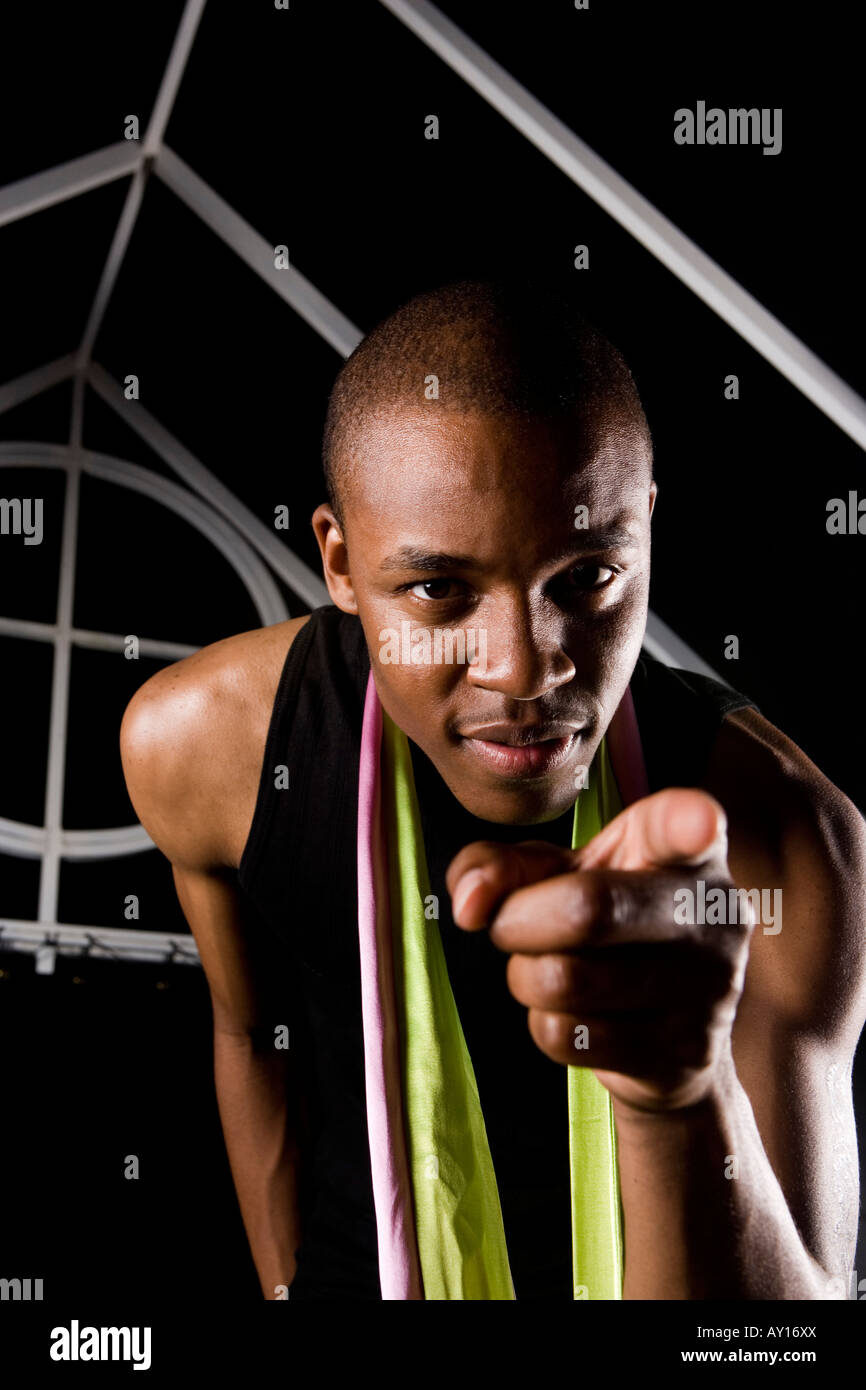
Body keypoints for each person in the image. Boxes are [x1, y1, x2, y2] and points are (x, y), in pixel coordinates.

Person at [120, 278, 865, 1300]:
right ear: (338, 560)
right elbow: (249, 1035)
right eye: (438, 589)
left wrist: (682, 1100)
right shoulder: (199, 746)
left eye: (584, 577)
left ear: (644, 527)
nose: (522, 670)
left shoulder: (787, 835)